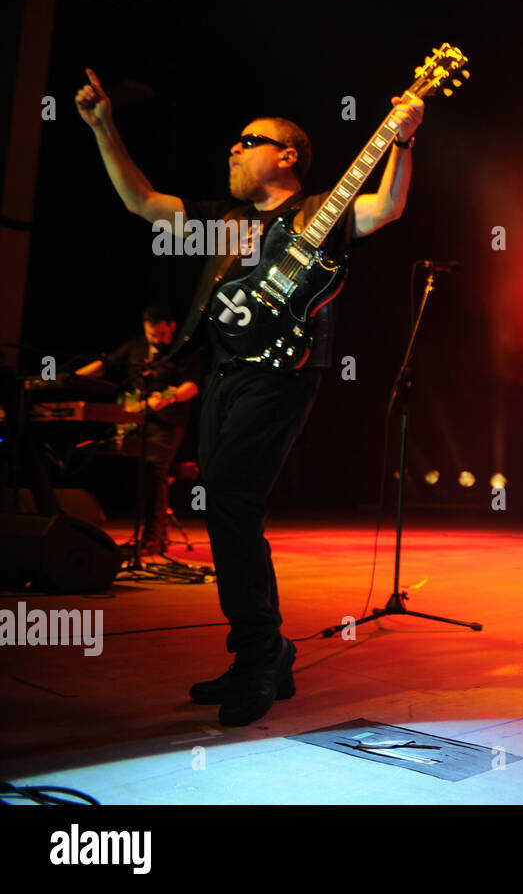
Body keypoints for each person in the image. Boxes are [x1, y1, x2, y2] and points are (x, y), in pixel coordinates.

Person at [76, 67, 423, 725]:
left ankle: (260, 652)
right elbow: (143, 202)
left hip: (281, 374)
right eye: (233, 142)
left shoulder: (321, 211)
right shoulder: (224, 222)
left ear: (286, 155)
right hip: (222, 376)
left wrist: (402, 142)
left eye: (247, 140)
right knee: (228, 508)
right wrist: (103, 127)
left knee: (231, 499)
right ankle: (264, 651)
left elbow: (385, 208)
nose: (232, 149)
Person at [76, 305, 200, 555]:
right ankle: (155, 535)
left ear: (172, 327)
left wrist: (170, 396)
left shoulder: (183, 349)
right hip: (137, 419)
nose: (156, 339)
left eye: (161, 334)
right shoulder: (136, 347)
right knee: (141, 472)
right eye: (152, 334)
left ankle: (152, 539)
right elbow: (105, 364)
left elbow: (192, 386)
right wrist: (72, 378)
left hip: (167, 421)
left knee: (155, 470)